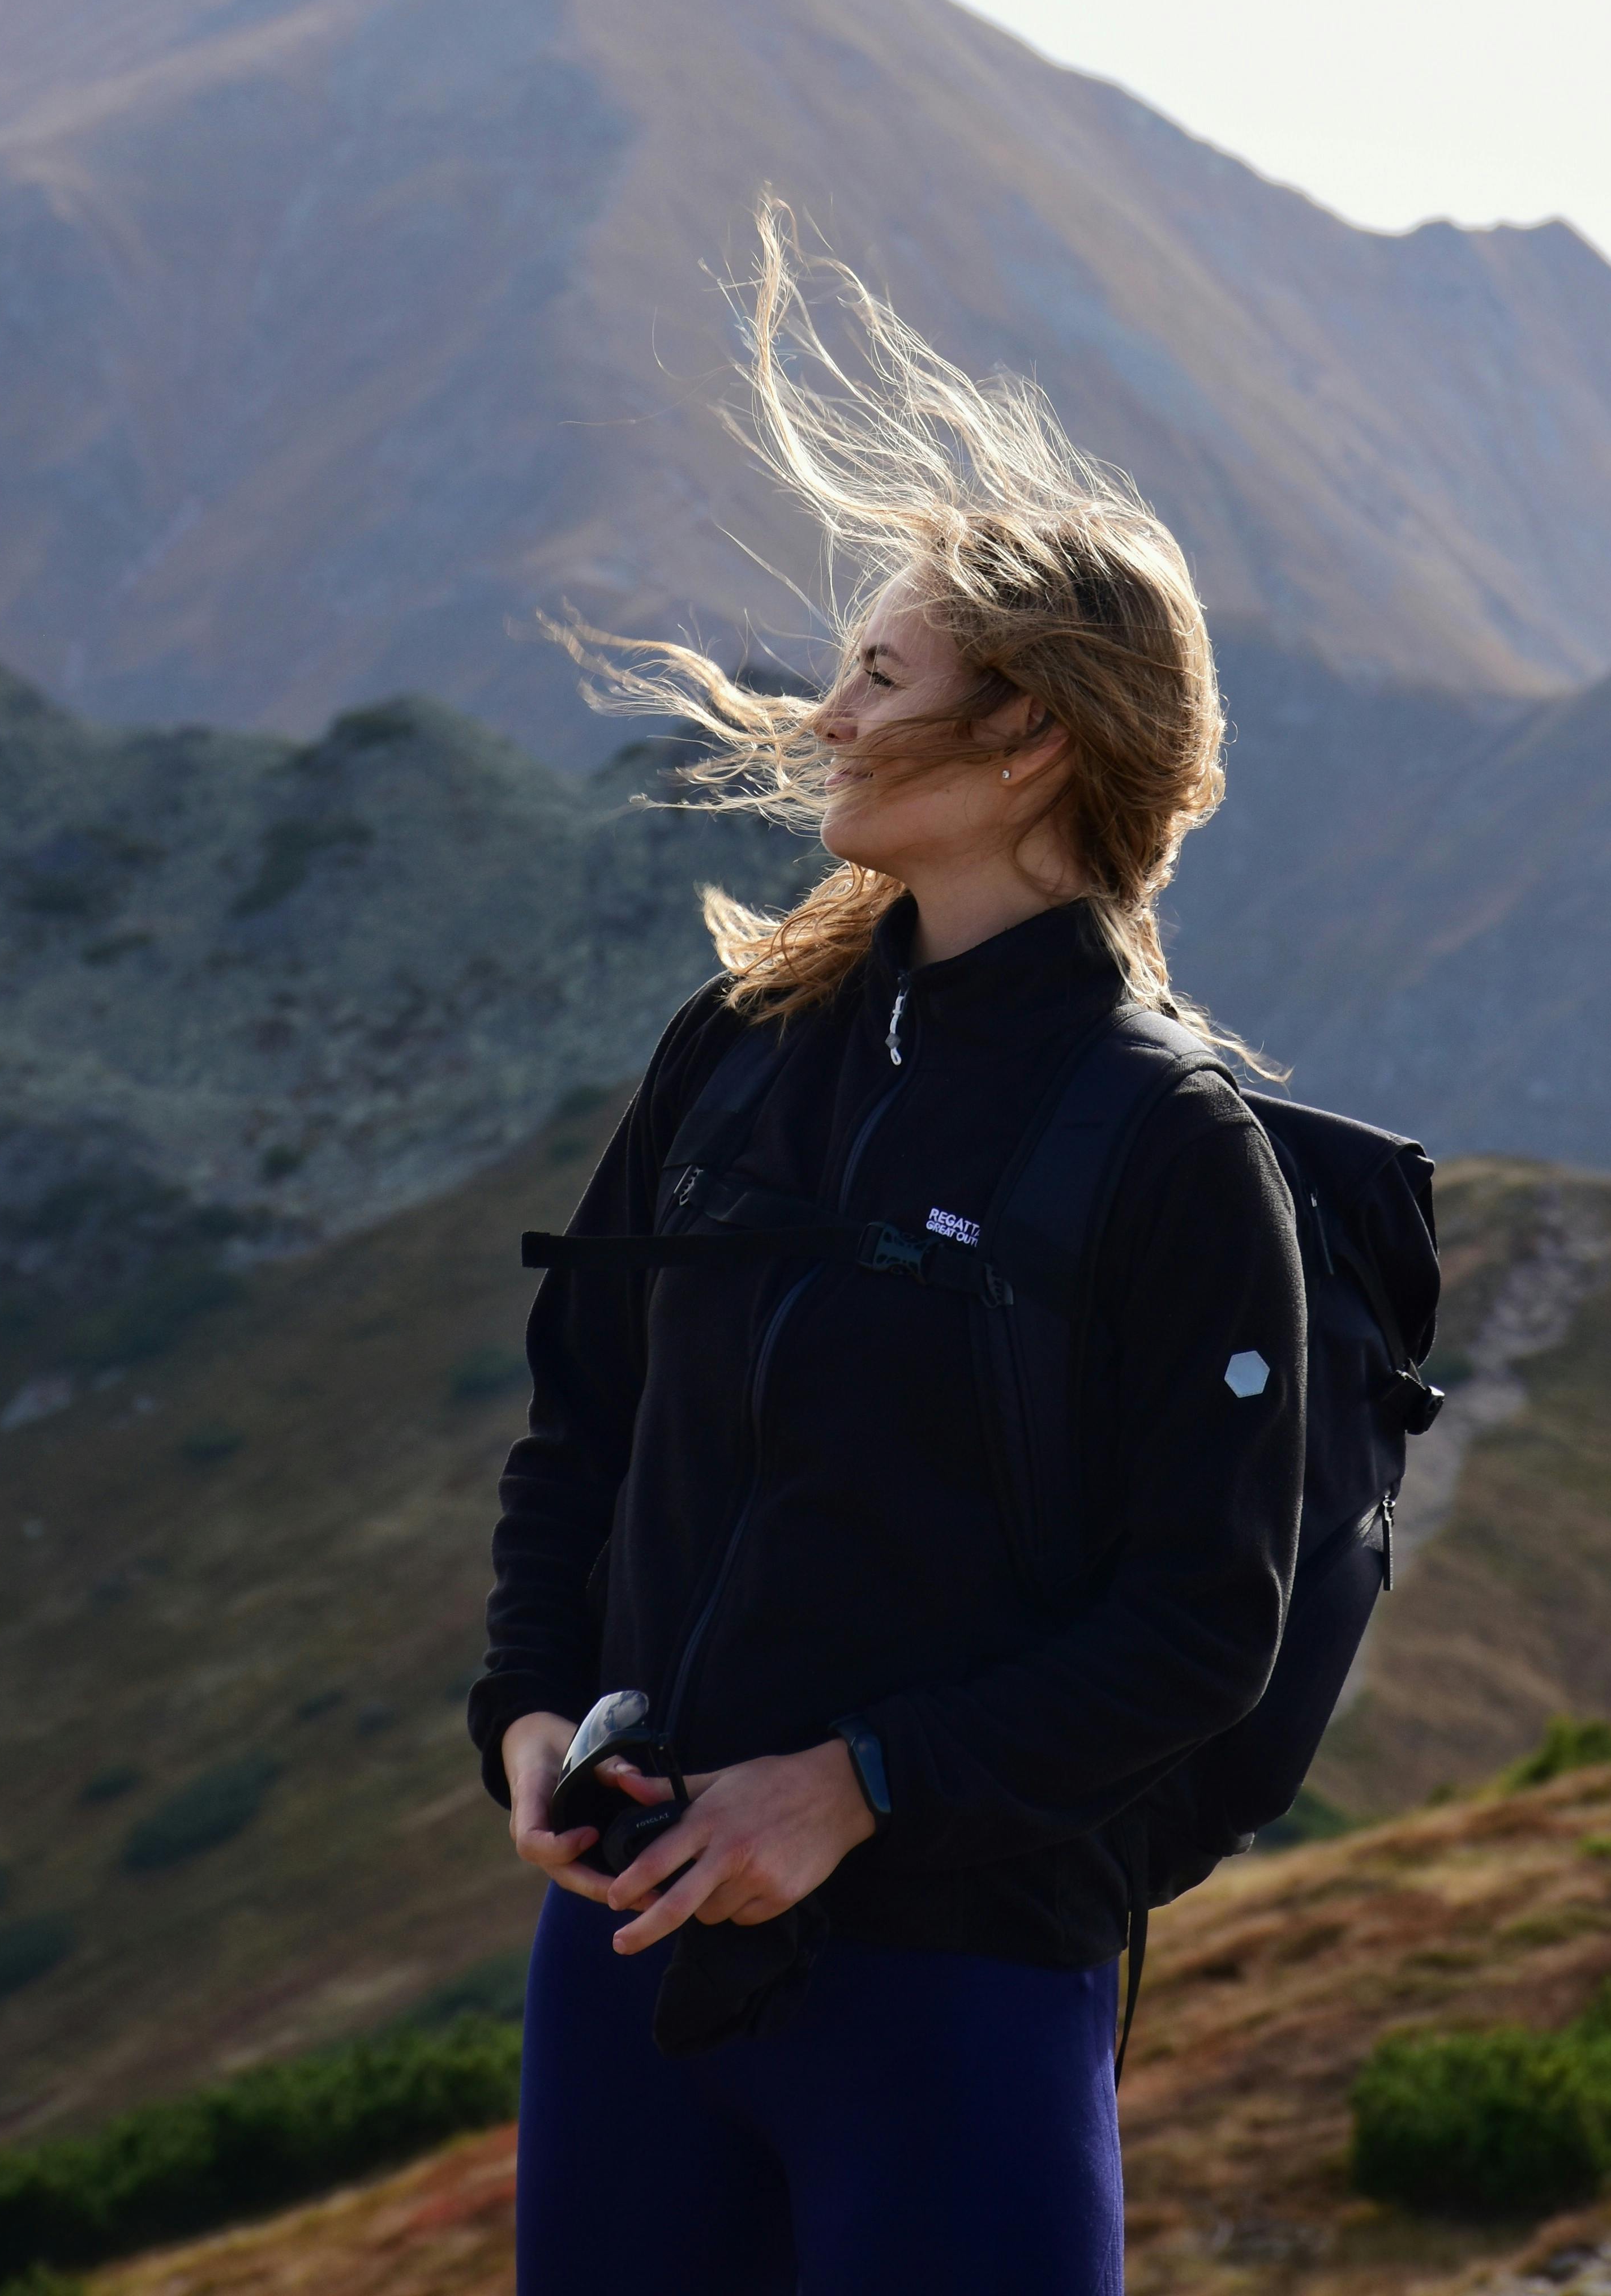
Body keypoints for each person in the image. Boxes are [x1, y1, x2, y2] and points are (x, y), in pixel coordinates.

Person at [469, 213, 1306, 2295]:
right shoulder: (741, 1054)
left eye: (879, 675)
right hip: (628, 1969)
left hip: (951, 1997)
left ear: (1029, 741)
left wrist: (855, 1789)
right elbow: (581, 1422)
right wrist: (522, 1713)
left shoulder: (1167, 1143)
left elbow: (1209, 1620)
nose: (824, 714)